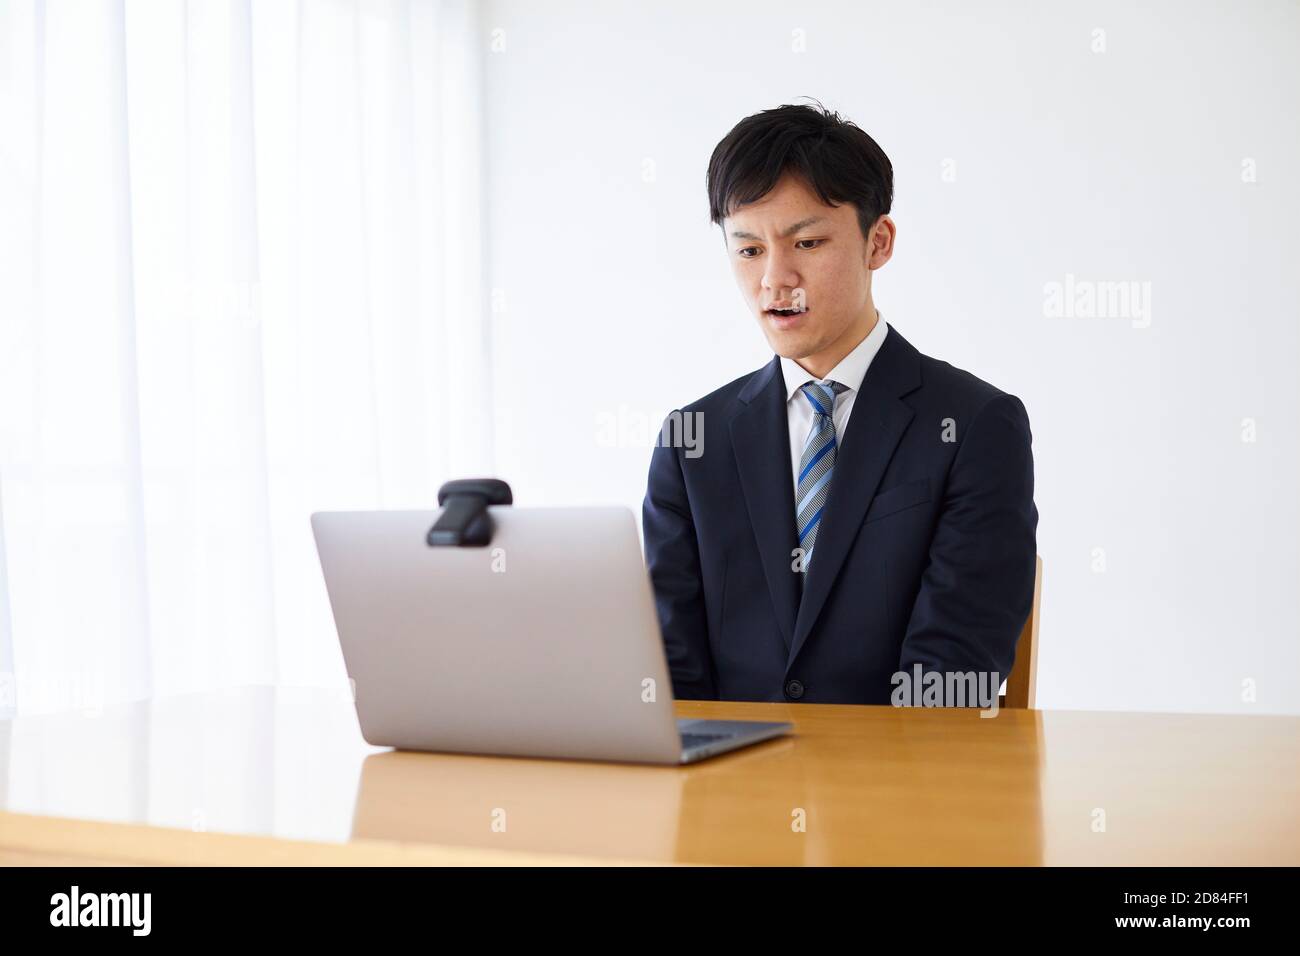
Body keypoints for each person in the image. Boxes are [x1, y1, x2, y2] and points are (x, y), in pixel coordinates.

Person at [642, 101, 1038, 705]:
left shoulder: (976, 426)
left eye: (806, 242)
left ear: (877, 242)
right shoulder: (692, 438)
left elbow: (951, 680)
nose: (775, 279)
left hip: (897, 788)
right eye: (749, 250)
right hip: (730, 789)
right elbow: (672, 678)